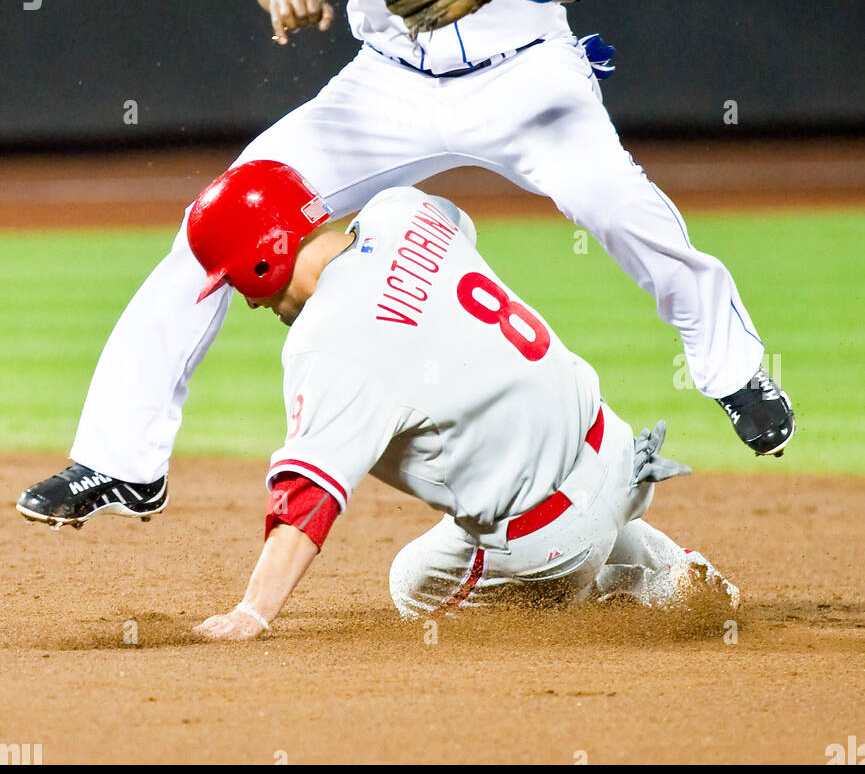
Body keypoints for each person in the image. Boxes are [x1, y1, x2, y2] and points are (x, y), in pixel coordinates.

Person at [16, 0, 794, 533]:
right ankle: (120, 461)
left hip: (523, 78)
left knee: (621, 209)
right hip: (385, 86)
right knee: (218, 221)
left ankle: (731, 369)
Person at [176, 160, 738, 639]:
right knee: (542, 481)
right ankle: (674, 566)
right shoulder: (401, 209)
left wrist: (252, 611)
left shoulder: (327, 345)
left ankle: (640, 593)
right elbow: (453, 225)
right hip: (617, 447)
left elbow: (306, 497)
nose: (247, 302)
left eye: (235, 281)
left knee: (416, 591)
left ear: (264, 256)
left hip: (550, 539)